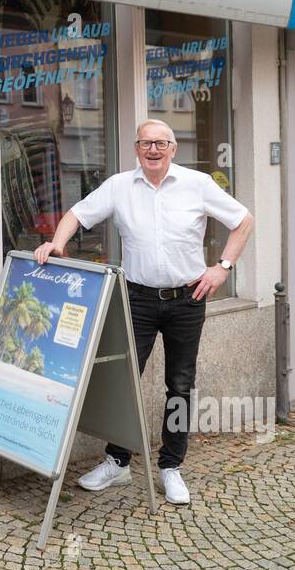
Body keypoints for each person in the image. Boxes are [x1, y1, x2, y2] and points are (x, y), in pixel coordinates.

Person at [33, 119, 254, 505]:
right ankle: (117, 462)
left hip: (188, 300)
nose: (153, 150)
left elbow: (244, 221)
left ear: (173, 149)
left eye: (161, 143)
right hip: (135, 300)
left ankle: (171, 467)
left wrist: (223, 268)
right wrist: (56, 243)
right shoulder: (120, 187)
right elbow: (77, 214)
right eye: (145, 143)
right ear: (136, 149)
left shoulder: (196, 184)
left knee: (180, 386)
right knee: (124, 380)